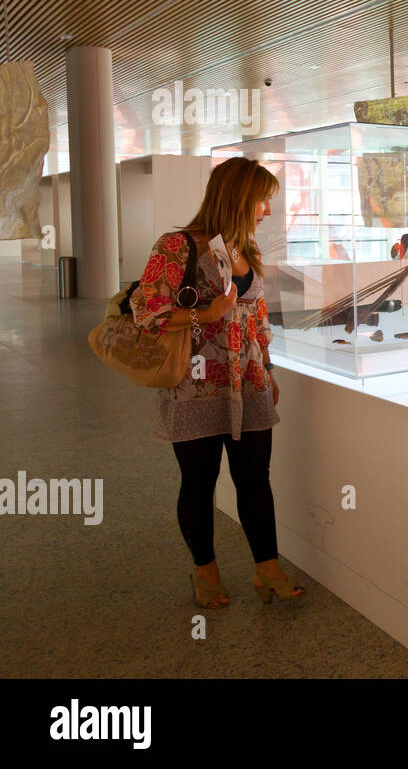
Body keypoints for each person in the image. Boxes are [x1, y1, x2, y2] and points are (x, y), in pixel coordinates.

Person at [131, 156, 305, 608]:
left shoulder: (247, 249)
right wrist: (203, 313)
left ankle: (267, 568)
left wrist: (266, 368)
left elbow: (258, 316)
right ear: (238, 197)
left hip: (248, 383)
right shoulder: (177, 246)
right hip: (196, 385)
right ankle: (205, 572)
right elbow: (144, 307)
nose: (267, 209)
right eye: (262, 199)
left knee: (255, 480)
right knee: (199, 481)